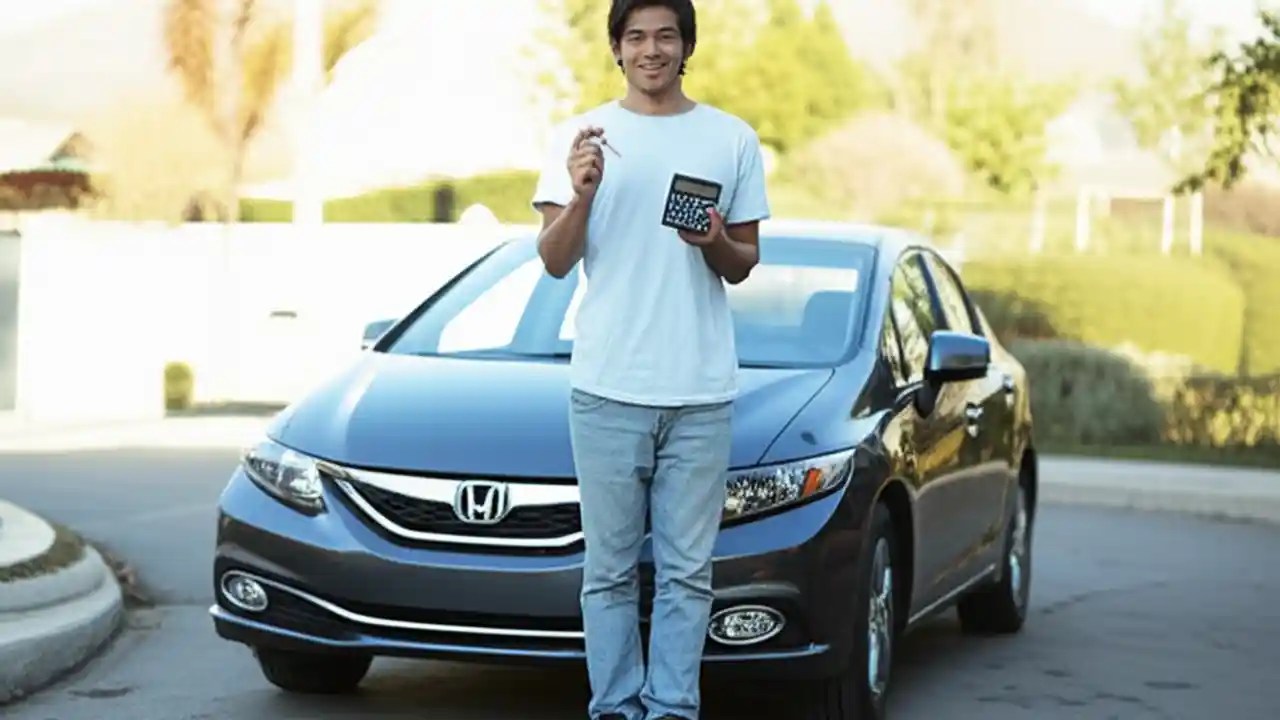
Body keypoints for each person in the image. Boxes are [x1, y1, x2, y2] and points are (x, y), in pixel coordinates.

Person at [529, 1, 770, 718]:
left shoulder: (731, 139)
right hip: (607, 388)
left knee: (687, 574)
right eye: (636, 36)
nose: (651, 49)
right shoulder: (580, 138)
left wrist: (716, 242)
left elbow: (745, 262)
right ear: (616, 48)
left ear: (687, 45)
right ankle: (614, 708)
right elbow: (552, 261)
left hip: (700, 392)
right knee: (606, 574)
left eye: (666, 35)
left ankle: (670, 709)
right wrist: (580, 195)